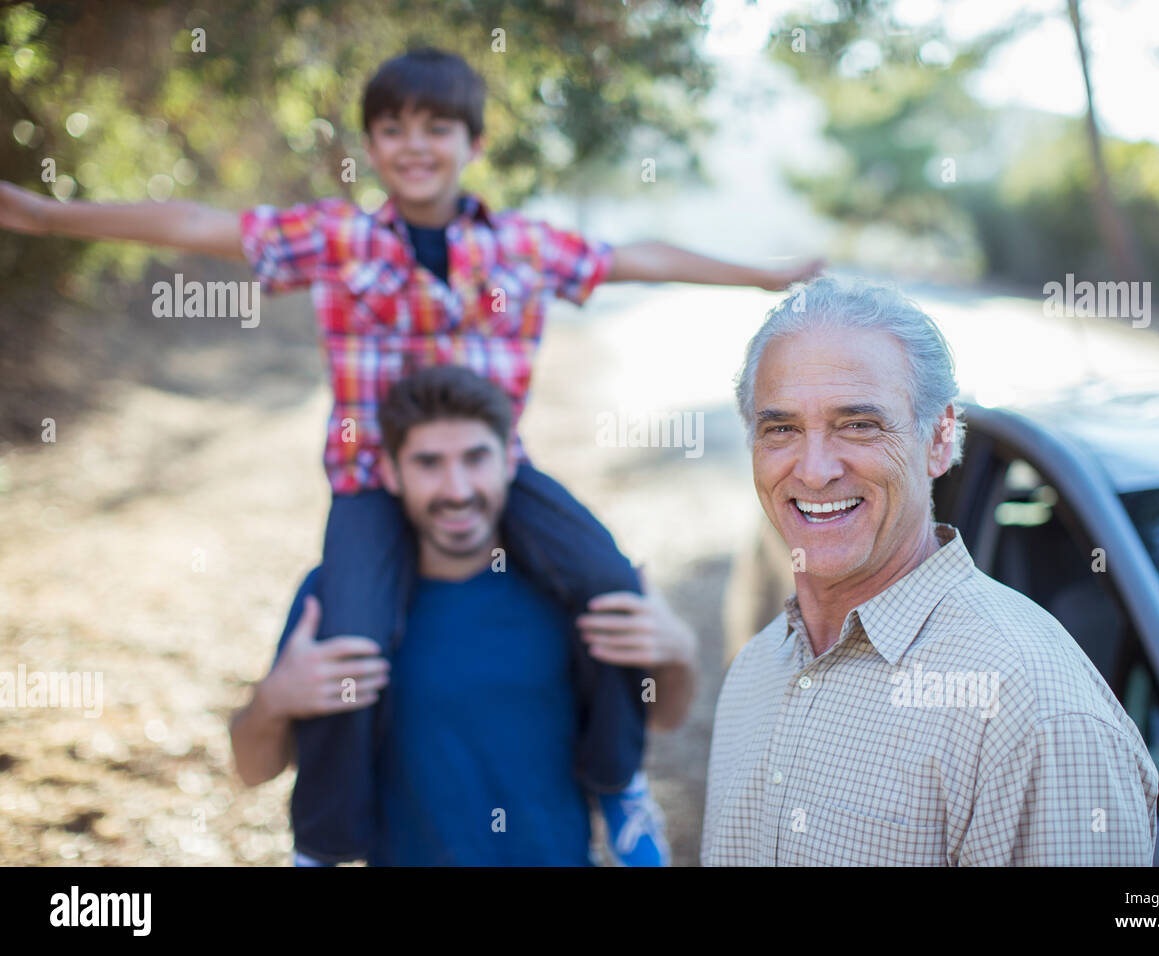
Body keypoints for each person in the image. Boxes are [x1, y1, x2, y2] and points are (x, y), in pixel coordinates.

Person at [0, 46, 819, 864]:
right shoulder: (335, 239)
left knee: (607, 583)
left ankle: (616, 783)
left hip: (501, 475)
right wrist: (43, 215)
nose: (413, 144)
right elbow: (194, 223)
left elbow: (640, 257)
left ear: (474, 143)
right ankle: (324, 845)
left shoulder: (522, 250)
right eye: (391, 128)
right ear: (372, 146)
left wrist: (759, 278)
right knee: (349, 642)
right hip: (370, 484)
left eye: (436, 126)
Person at [701, 277, 1159, 865]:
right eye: (781, 428)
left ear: (939, 440)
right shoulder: (757, 670)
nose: (814, 471)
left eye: (858, 425)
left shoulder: (1034, 709)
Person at [230, 365, 697, 865]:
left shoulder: (567, 588)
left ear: (508, 460)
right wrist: (275, 699)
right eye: (429, 463)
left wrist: (679, 652)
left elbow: (663, 718)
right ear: (390, 471)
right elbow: (253, 768)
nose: (456, 488)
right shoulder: (340, 600)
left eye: (475, 458)